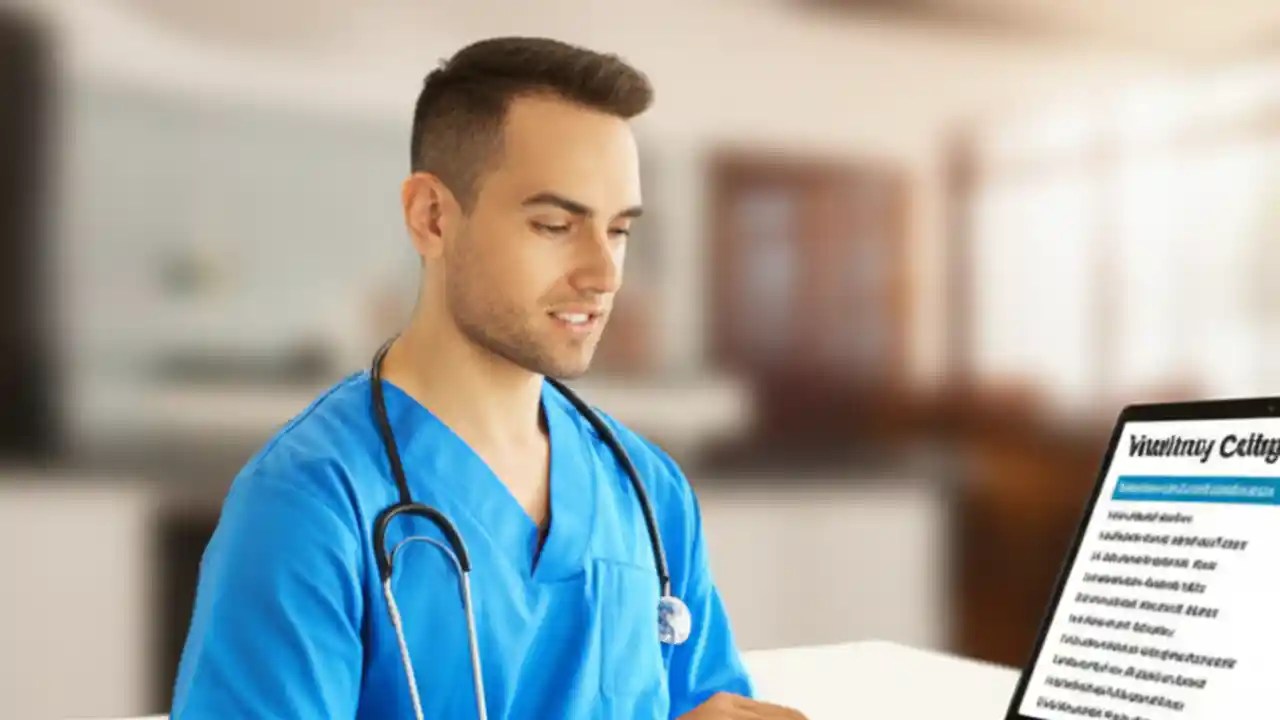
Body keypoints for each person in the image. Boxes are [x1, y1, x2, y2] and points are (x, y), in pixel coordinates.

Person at [170, 36, 807, 719]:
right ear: (432, 217)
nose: (604, 274)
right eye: (556, 224)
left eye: (619, 231)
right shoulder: (310, 507)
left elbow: (704, 702)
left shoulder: (648, 493)